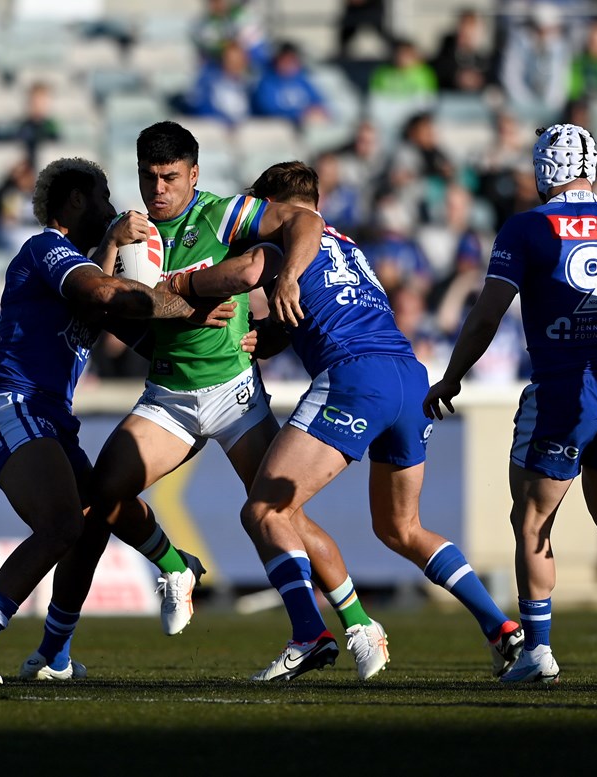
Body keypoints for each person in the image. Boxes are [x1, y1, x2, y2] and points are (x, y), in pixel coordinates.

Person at [21, 121, 394, 683]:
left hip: (234, 394)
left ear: (194, 174)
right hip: (168, 396)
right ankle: (171, 572)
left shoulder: (223, 214)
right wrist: (127, 260)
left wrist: (286, 284)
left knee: (280, 513)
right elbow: (107, 309)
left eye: (170, 177)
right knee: (100, 497)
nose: (158, 189)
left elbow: (305, 221)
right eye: (148, 177)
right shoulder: (131, 235)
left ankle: (359, 625)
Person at [181, 160, 524, 681]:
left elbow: (249, 273)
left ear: (271, 206)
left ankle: (308, 634)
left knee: (265, 510)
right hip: (408, 377)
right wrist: (267, 337)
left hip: (355, 376)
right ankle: (500, 627)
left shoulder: (281, 241)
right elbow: (313, 312)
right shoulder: (352, 249)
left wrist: (179, 284)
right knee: (401, 527)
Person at [0, 157, 235, 684]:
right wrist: (186, 302)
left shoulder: (90, 267)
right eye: (103, 197)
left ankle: (60, 650)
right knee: (62, 526)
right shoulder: (45, 248)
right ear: (76, 200)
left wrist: (240, 336)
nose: (112, 208)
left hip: (52, 417)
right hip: (16, 407)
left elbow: (142, 328)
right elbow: (102, 294)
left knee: (100, 509)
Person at [423, 123, 597, 684]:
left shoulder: (527, 227)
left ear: (546, 168)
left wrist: (451, 377)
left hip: (563, 390)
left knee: (533, 518)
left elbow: (486, 315)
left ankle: (538, 649)